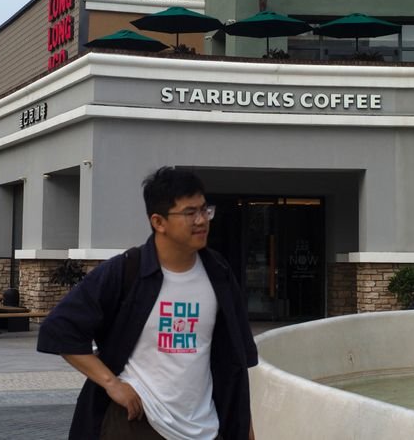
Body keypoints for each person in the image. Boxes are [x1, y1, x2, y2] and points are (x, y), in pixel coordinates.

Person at [38, 167, 258, 439]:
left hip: (204, 427)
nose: (202, 220)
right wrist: (111, 384)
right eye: (190, 213)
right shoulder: (126, 271)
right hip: (138, 423)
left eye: (205, 210)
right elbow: (58, 328)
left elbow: (236, 361)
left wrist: (246, 430)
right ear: (158, 221)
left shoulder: (219, 273)